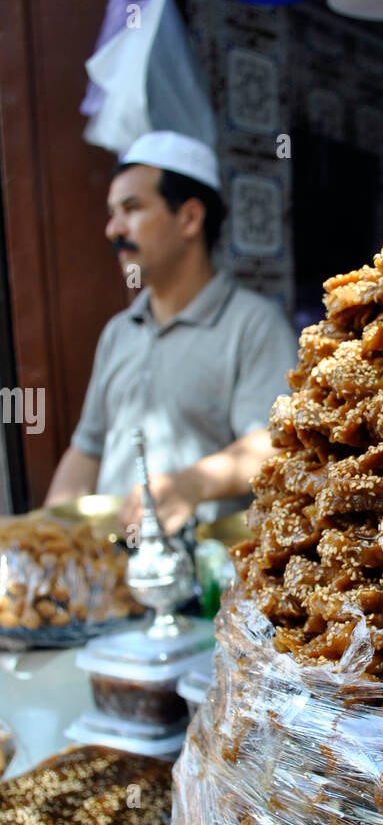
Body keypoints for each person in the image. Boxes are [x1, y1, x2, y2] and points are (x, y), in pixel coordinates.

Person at [45, 131, 295, 534]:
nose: (113, 229)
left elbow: (276, 443)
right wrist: (49, 531)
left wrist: (191, 485)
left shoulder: (253, 324)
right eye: (112, 212)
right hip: (111, 569)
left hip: (203, 577)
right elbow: (87, 448)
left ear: (190, 218)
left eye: (132, 208)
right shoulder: (119, 331)